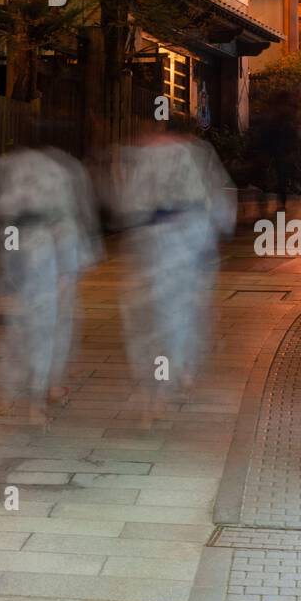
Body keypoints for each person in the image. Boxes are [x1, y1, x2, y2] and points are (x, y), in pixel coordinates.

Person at [98, 116, 236, 427]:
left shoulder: (147, 154)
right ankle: (175, 376)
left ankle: (159, 388)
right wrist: (221, 228)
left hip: (152, 240)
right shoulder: (197, 152)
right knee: (183, 314)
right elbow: (220, 198)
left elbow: (125, 204)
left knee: (154, 319)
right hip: (192, 236)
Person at [0, 138, 99, 426]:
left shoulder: (2, 166)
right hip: (44, 246)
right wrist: (73, 264)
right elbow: (71, 216)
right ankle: (37, 400)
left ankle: (7, 392)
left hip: (11, 241)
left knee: (15, 324)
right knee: (45, 326)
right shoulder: (60, 168)